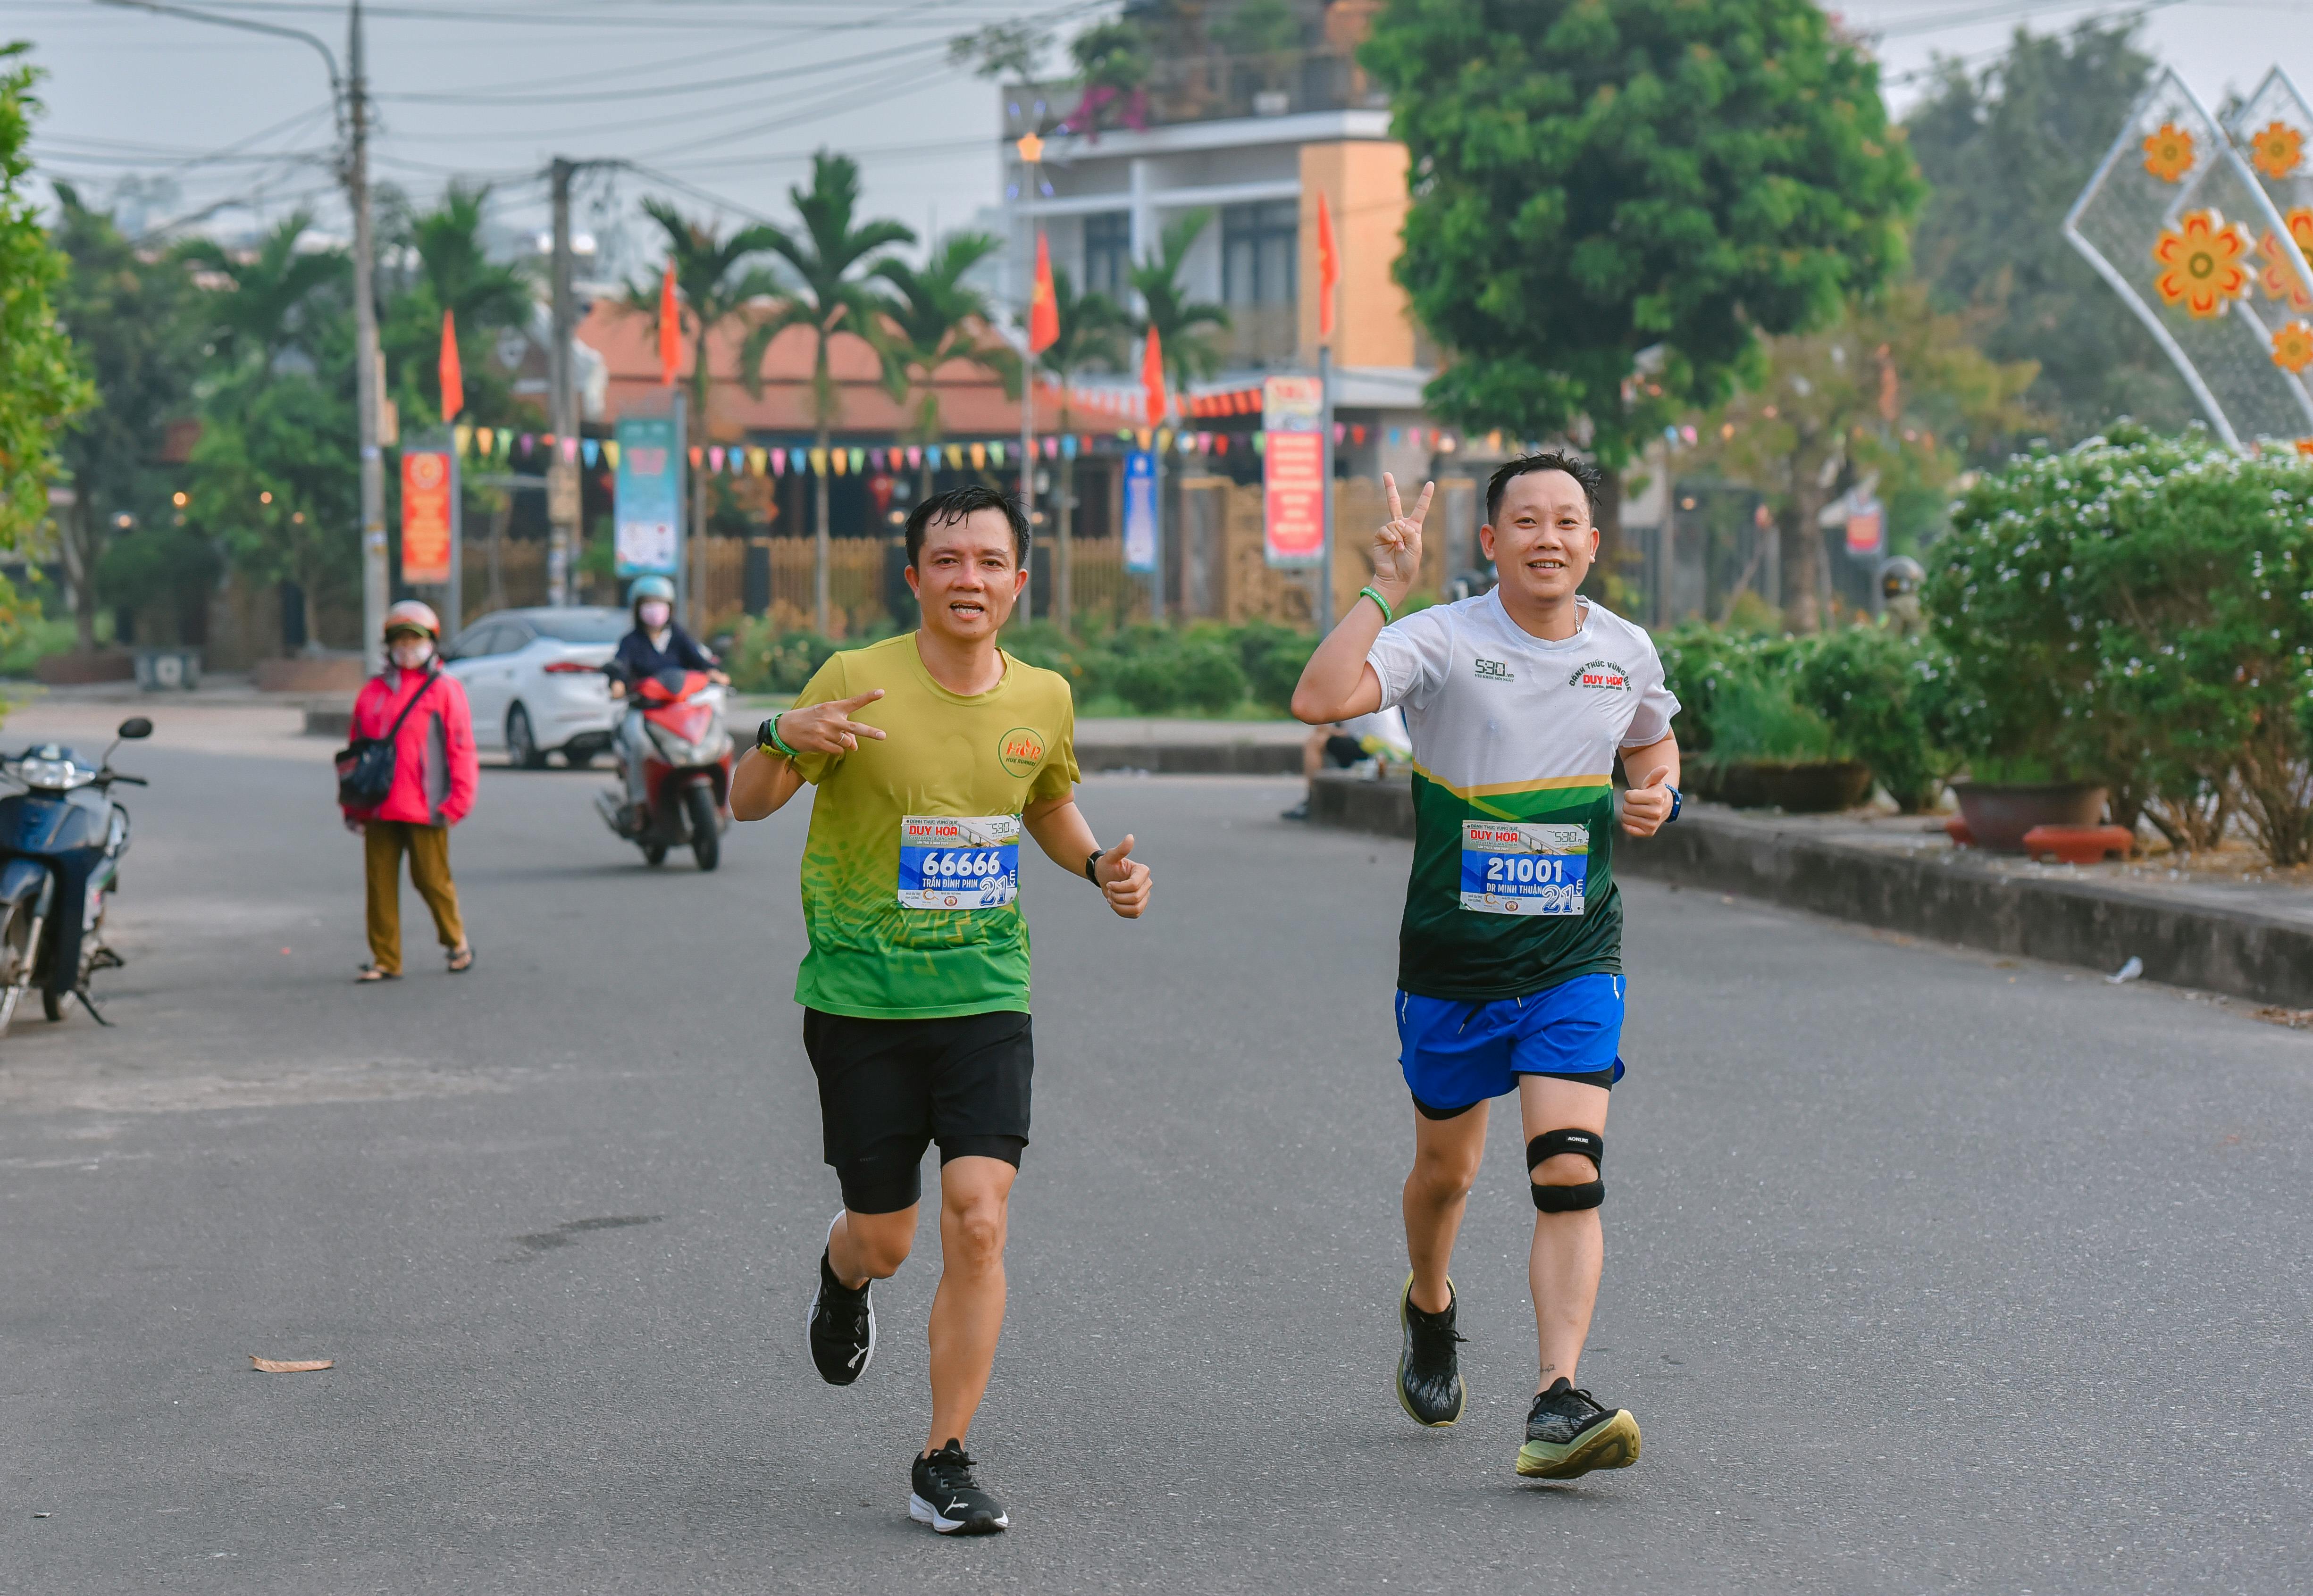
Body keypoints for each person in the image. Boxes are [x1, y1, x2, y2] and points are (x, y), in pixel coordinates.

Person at [727, 484, 1153, 1536]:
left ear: (1019, 579)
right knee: (889, 1236)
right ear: (914, 575)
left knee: (978, 1215)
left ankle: (944, 1455)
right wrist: (783, 730)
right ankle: (842, 1271)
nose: (971, 578)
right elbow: (748, 800)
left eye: (990, 561)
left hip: (984, 994)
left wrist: (1097, 862)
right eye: (949, 559)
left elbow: (1048, 800)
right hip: (862, 999)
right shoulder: (856, 680)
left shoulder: (1043, 695)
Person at [1290, 453, 1681, 1480]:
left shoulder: (1624, 650)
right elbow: (1319, 697)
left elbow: (1654, 746)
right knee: (1446, 1172)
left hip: (1573, 955)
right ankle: (1430, 1300)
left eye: (1568, 521)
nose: (1547, 536)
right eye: (1526, 520)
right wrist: (1386, 586)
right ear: (1492, 540)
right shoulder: (1443, 637)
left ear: (1594, 543)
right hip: (1453, 966)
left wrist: (1660, 797)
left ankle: (1558, 1398)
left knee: (1567, 1166)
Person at [344, 600, 478, 982]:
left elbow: (462, 748)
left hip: (429, 805)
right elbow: (356, 751)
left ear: (431, 643)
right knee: (380, 885)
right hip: (378, 805)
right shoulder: (372, 692)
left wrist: (460, 799)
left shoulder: (445, 690)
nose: (407, 648)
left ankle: (456, 943)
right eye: (400, 641)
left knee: (432, 879)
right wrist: (352, 804)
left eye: (415, 640)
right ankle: (386, 959)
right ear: (389, 645)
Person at [606, 575, 728, 819]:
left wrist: (714, 673)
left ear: (670, 607)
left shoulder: (678, 637)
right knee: (640, 744)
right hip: (643, 710)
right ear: (638, 608)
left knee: (718, 736)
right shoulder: (631, 642)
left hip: (678, 708)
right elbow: (621, 666)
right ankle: (640, 804)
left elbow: (698, 660)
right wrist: (618, 684)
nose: (655, 609)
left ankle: (721, 803)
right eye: (648, 603)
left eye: (660, 603)